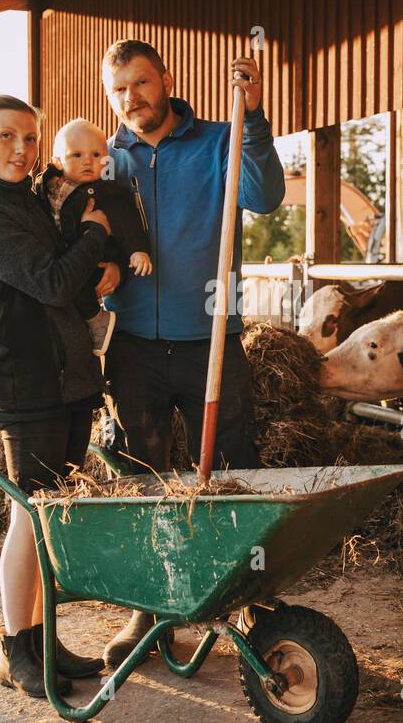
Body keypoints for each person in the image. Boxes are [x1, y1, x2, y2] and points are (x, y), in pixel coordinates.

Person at [98, 40, 286, 667]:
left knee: (236, 465)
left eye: (142, 83)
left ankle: (250, 598)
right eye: (120, 88)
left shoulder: (216, 139)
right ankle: (147, 611)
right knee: (141, 475)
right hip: (132, 346)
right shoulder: (108, 160)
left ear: (167, 80)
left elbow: (263, 196)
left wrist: (252, 115)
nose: (132, 98)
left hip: (212, 338)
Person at [0, 94, 115, 698]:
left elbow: (69, 277)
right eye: (6, 137)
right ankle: (15, 649)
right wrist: (95, 237)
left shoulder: (30, 201)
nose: (22, 150)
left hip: (69, 379)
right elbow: (53, 280)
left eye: (30, 139)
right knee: (28, 516)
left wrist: (98, 265)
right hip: (26, 384)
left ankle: (42, 639)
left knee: (50, 516)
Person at [41, 118, 153, 356]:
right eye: (77, 155)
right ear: (57, 161)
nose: (88, 162)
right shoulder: (44, 188)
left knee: (80, 284)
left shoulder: (107, 192)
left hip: (96, 257)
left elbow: (127, 223)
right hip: (61, 258)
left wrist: (137, 250)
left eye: (96, 155)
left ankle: (97, 320)